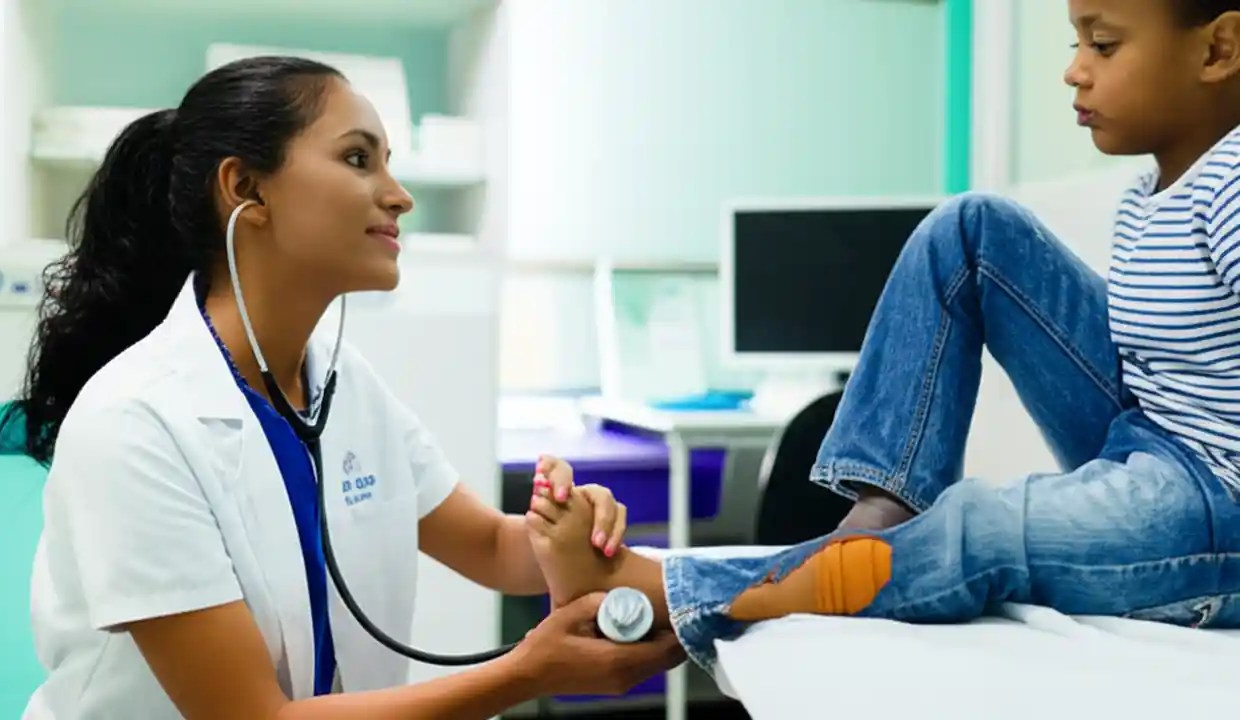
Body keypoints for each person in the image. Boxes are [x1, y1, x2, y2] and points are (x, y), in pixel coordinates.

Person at [523, 0, 1240, 677]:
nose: (1074, 68)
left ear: (1218, 49)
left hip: (1215, 501)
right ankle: (885, 503)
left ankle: (678, 586)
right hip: (1143, 437)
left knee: (981, 524)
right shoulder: (1147, 194)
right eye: (1075, 42)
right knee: (972, 229)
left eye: (1104, 44)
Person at [0, 56, 683, 719]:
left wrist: (560, 533)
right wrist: (529, 673)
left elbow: (494, 550)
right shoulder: (134, 422)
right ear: (246, 189)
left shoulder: (341, 383)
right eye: (359, 159)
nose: (399, 194)